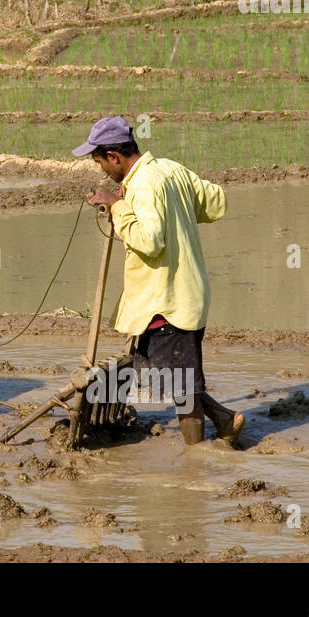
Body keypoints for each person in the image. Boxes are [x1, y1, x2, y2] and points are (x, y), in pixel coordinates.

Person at [73, 116, 244, 448]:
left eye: (100, 163)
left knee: (181, 391)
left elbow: (150, 241)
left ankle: (195, 461)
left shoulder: (144, 184)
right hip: (183, 295)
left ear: (113, 156)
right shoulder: (168, 169)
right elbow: (214, 202)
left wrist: (118, 205)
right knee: (165, 374)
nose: (103, 172)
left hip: (167, 304)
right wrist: (165, 203)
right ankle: (222, 417)